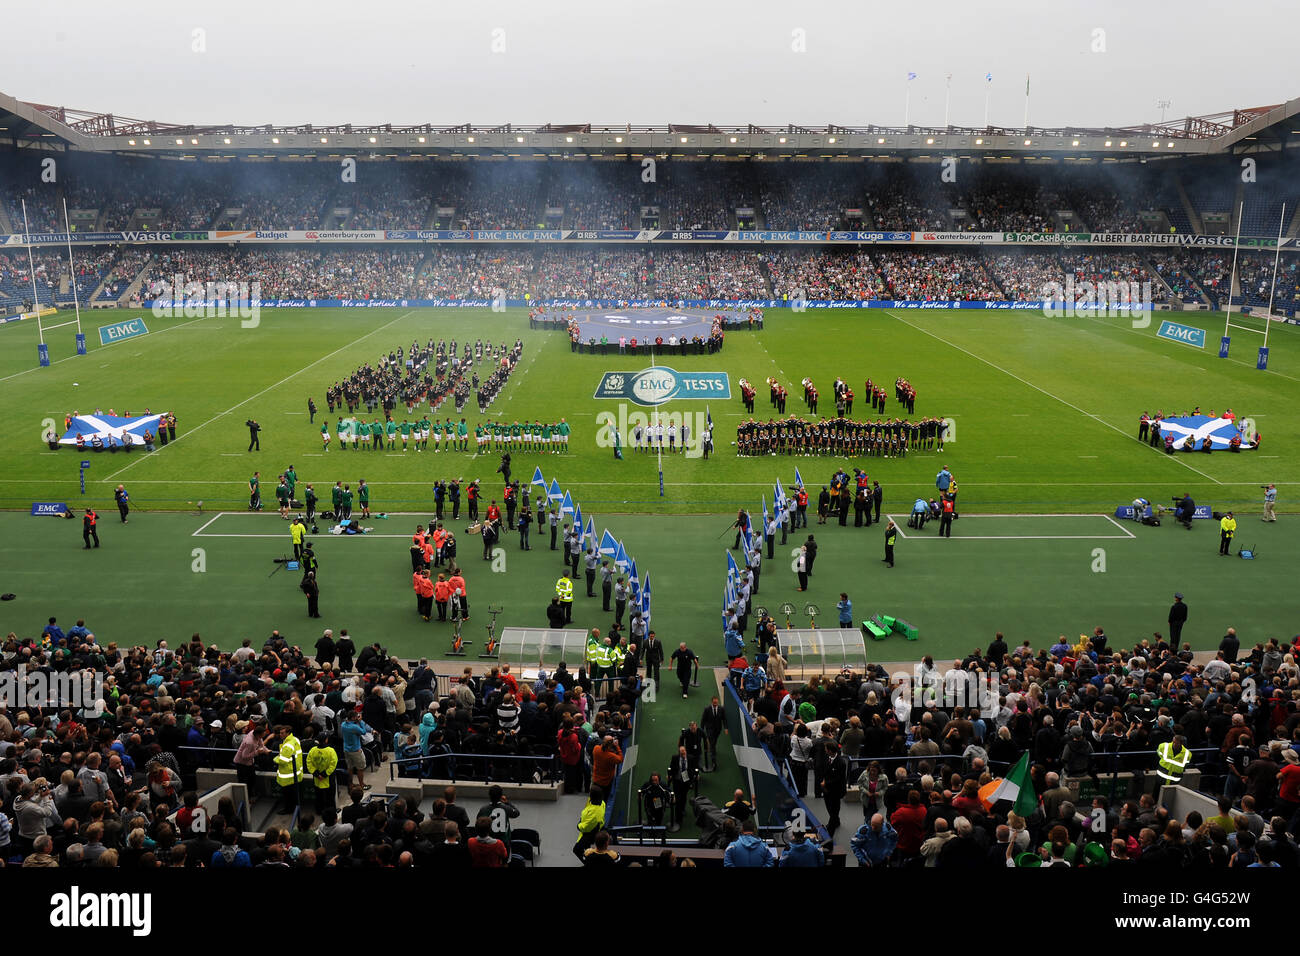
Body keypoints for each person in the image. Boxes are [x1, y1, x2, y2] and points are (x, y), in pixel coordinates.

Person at [274, 725, 304, 814]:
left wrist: (275, 758)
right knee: (294, 794)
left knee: (288, 795)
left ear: (288, 733)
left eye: (282, 733)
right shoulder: (295, 739)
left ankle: (289, 809)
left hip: (288, 774)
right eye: (280, 733)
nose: (280, 734)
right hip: (295, 771)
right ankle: (294, 808)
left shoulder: (288, 745)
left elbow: (282, 760)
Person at [573, 787, 606, 861]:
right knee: (587, 849)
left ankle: (588, 863)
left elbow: (586, 827)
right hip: (596, 829)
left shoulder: (594, 813)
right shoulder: (602, 803)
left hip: (590, 833)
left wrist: (579, 825)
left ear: (592, 797)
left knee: (577, 849)